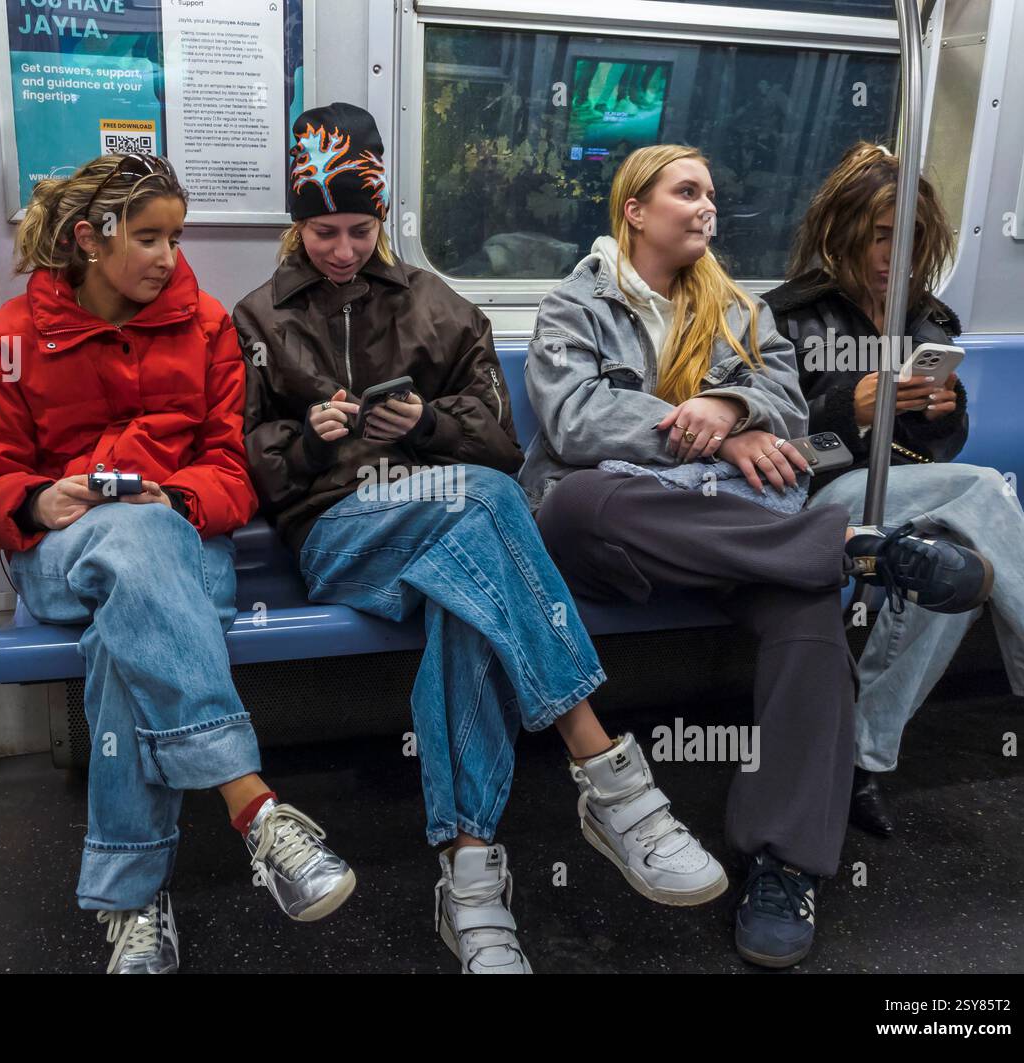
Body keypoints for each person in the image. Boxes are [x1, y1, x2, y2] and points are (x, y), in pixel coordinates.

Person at [234, 103, 729, 974]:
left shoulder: (437, 304)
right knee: (487, 507)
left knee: (466, 596)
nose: (343, 250)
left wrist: (422, 422)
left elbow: (497, 437)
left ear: (382, 219)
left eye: (358, 228)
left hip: (448, 520)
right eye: (322, 231)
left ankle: (470, 881)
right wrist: (313, 438)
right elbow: (250, 466)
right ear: (296, 224)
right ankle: (609, 776)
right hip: (338, 533)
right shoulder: (258, 321)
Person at [521, 143, 994, 968]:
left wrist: (735, 405)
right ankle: (848, 548)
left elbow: (782, 395)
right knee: (577, 499)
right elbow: (576, 424)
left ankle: (786, 861)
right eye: (686, 191)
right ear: (634, 209)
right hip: (622, 527)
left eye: (712, 193)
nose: (707, 206)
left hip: (731, 526)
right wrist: (707, 431)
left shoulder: (739, 307)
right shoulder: (575, 304)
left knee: (809, 616)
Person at [0, 153, 354, 974]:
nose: (168, 257)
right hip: (61, 552)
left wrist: (174, 503)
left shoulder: (207, 327)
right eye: (148, 238)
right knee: (125, 551)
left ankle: (133, 900)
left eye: (175, 238)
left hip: (184, 540)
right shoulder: (12, 335)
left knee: (126, 626)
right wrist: (43, 499)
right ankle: (253, 804)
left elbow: (229, 469)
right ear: (89, 236)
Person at [765, 142, 1024, 836]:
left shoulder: (930, 322)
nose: (893, 255)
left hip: (910, 493)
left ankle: (860, 758)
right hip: (822, 502)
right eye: (879, 235)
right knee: (985, 492)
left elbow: (940, 451)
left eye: (911, 238)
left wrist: (943, 414)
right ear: (842, 232)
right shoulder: (787, 318)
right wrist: (848, 409)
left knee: (960, 568)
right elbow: (777, 451)